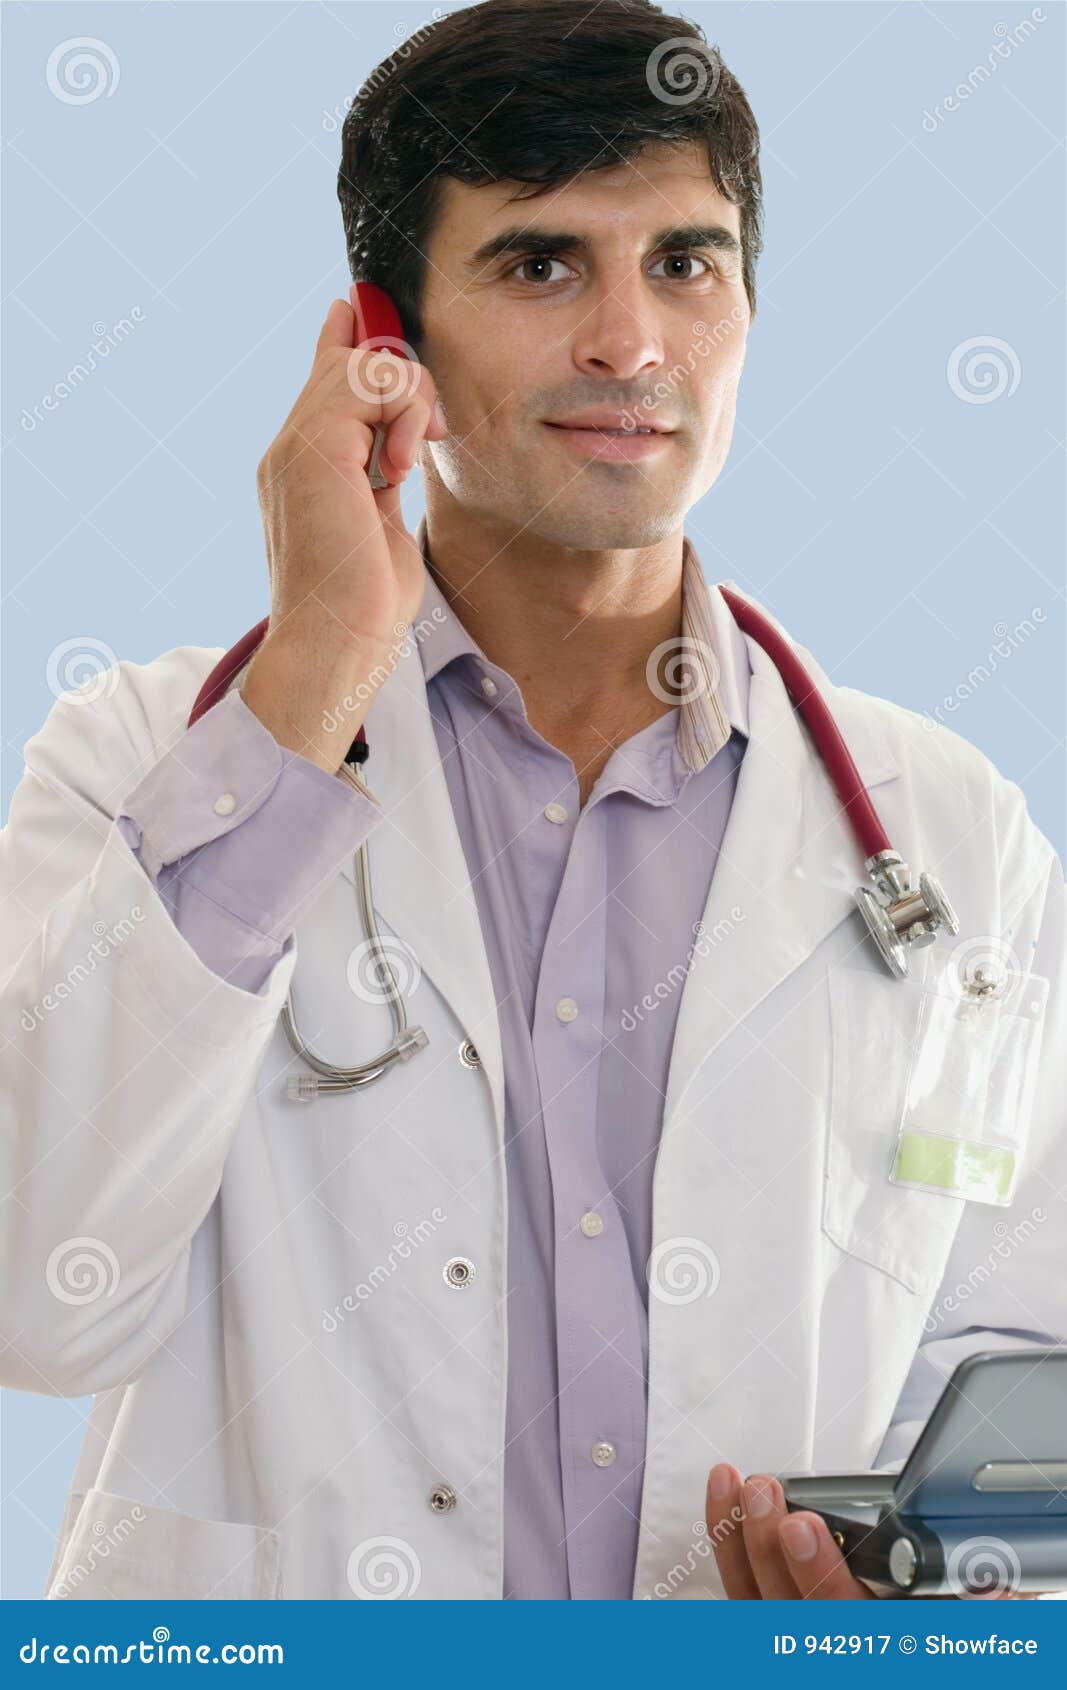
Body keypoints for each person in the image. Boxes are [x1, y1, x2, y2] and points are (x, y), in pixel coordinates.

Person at [1, 0, 1064, 1602]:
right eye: (540, 262)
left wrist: (925, 1580)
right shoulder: (154, 757)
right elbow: (37, 1290)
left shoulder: (950, 824)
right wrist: (309, 691)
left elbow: (1021, 1356)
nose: (632, 344)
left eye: (686, 265)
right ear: (386, 330)